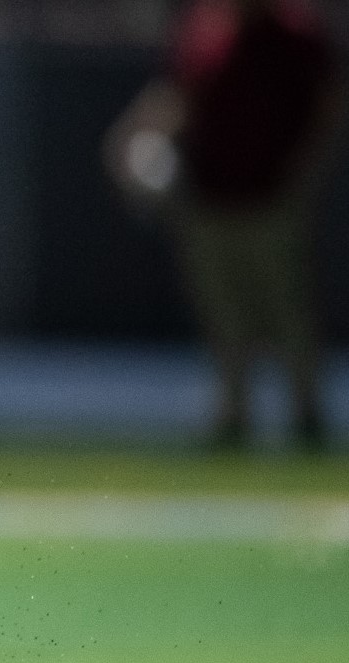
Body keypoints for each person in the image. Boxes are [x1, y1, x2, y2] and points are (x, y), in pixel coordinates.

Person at [108, 0, 341, 449]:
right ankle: (233, 415)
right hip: (209, 197)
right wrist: (137, 136)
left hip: (271, 197)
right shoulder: (206, 28)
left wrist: (303, 176)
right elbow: (178, 96)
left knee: (287, 310)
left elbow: (328, 105)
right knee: (223, 313)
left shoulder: (298, 33)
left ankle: (306, 414)